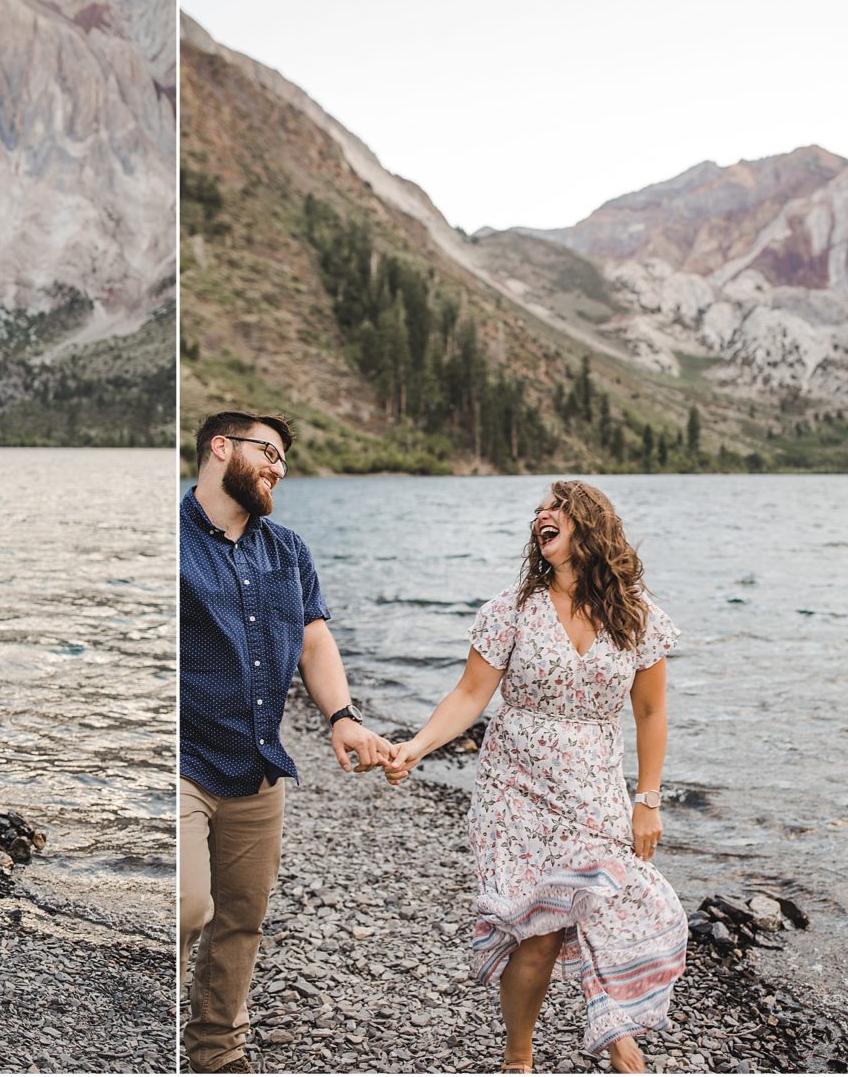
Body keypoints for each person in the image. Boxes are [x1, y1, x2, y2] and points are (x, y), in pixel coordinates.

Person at [383, 480, 687, 1074]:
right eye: (540, 511)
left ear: (590, 526)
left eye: (558, 509)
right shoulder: (510, 610)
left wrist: (646, 799)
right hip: (514, 786)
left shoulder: (637, 615)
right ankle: (517, 1060)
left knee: (611, 904)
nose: (542, 516)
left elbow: (651, 713)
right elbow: (471, 695)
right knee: (541, 929)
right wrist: (416, 746)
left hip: (595, 787)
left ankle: (613, 1027)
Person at [179, 411, 392, 1074]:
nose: (279, 468)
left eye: (284, 460)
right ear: (221, 447)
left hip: (260, 766)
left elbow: (313, 637)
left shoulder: (288, 550)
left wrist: (342, 716)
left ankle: (217, 1053)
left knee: (241, 920)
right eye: (268, 452)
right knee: (187, 904)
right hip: (183, 760)